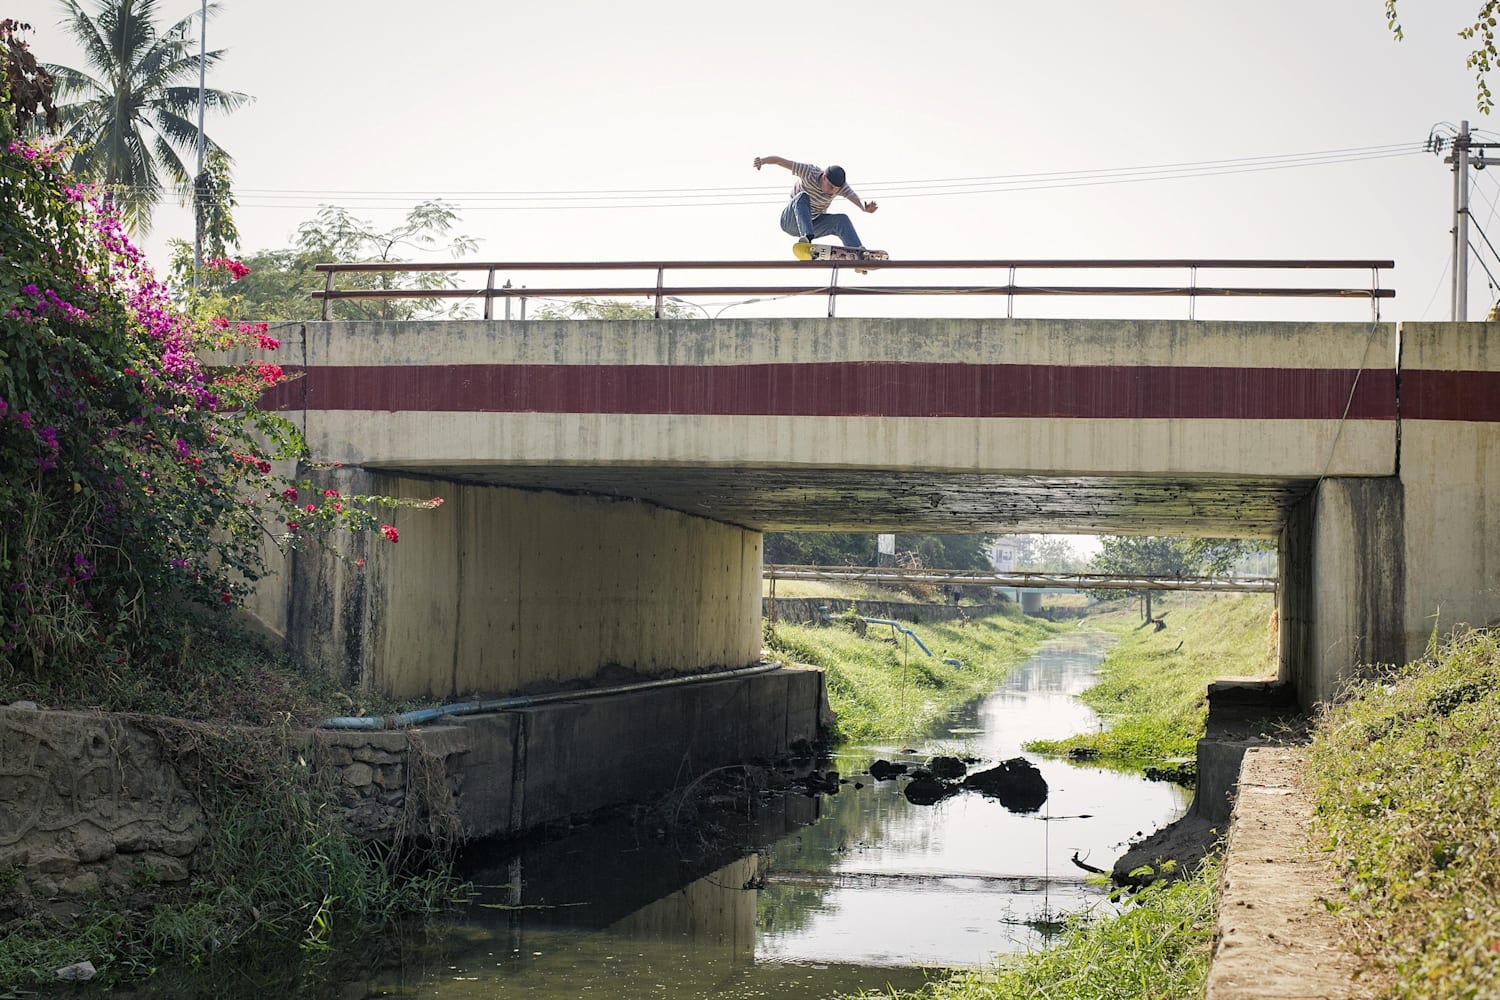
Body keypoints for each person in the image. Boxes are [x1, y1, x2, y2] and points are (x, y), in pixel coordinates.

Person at [753, 155, 878, 248]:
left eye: (835, 189)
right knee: (803, 196)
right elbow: (780, 161)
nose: (831, 191)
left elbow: (854, 197)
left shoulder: (840, 187)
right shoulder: (808, 172)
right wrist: (763, 161)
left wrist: (864, 207)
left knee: (842, 219)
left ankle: (858, 255)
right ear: (824, 177)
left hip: (814, 224)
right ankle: (806, 239)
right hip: (790, 220)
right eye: (830, 186)